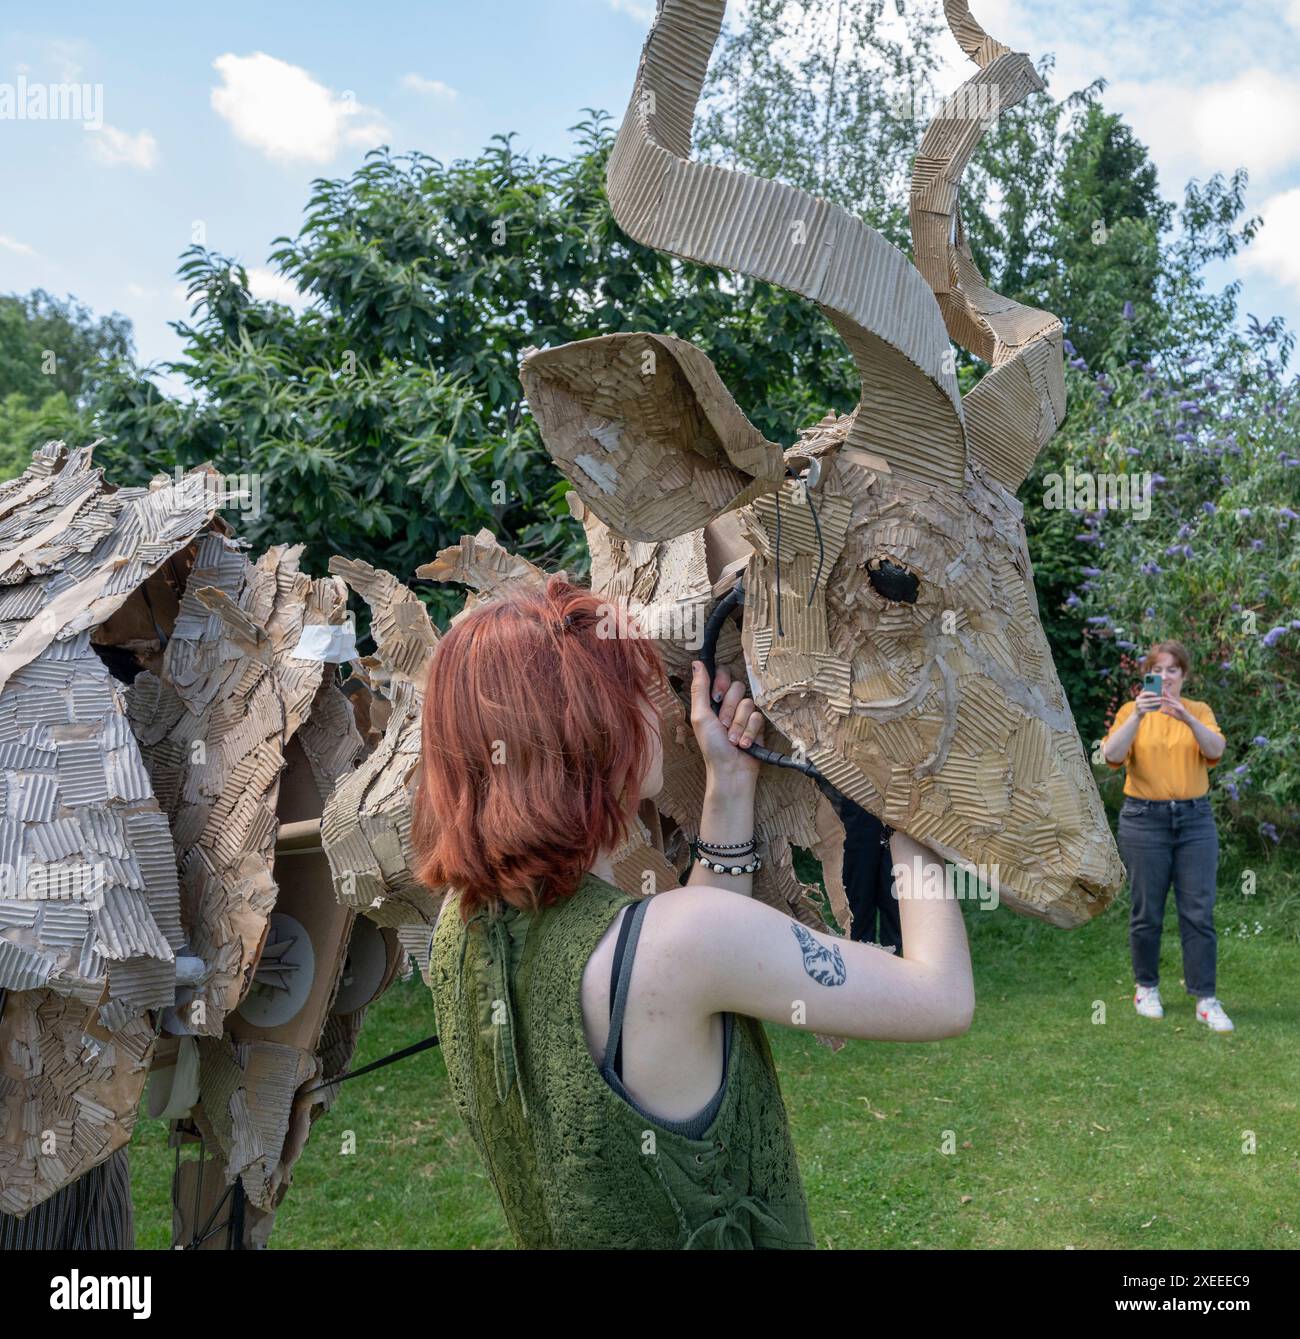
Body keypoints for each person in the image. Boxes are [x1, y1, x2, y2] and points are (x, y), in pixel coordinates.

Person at [414, 576, 974, 1249]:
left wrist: (729, 783)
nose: (659, 709)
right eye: (635, 694)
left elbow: (675, 972)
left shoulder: (462, 929)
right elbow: (940, 995)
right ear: (592, 729)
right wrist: (910, 800)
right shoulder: (677, 945)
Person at [1100, 640, 1232, 1032]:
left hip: (1194, 822)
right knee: (1147, 912)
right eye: (1158, 670)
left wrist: (1186, 719)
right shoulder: (1132, 712)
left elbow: (1216, 748)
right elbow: (1110, 756)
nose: (1166, 677)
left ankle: (1205, 999)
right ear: (1147, 677)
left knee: (1198, 913)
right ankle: (1146, 987)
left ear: (1184, 676)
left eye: (1173, 670)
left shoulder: (1199, 711)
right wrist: (1139, 717)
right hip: (1145, 820)